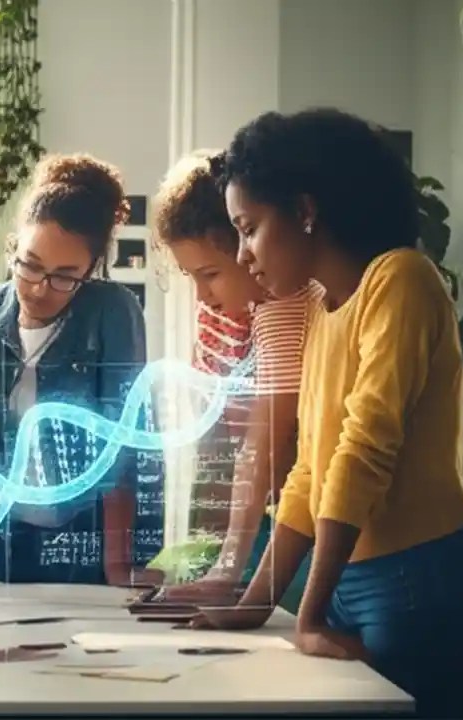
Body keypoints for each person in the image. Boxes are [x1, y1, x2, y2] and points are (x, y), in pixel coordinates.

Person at [194, 108, 463, 719]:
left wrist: (307, 613)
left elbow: (365, 446)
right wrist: (258, 602)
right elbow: (311, 468)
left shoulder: (402, 279)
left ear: (305, 211)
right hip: (353, 584)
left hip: (416, 580)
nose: (243, 253)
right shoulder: (324, 309)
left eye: (249, 228)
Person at [0, 153, 150, 586]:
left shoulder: (112, 311)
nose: (41, 289)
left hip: (88, 533)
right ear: (11, 248)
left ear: (91, 271)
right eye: (30, 265)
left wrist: (117, 568)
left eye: (65, 276)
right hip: (3, 531)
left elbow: (124, 443)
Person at [149, 150, 322, 611]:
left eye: (210, 275)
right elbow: (218, 441)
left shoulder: (282, 304)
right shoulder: (222, 310)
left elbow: (266, 446)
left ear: (247, 248)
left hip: (289, 521)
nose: (202, 295)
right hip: (244, 509)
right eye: (190, 278)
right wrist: (195, 557)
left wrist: (226, 568)